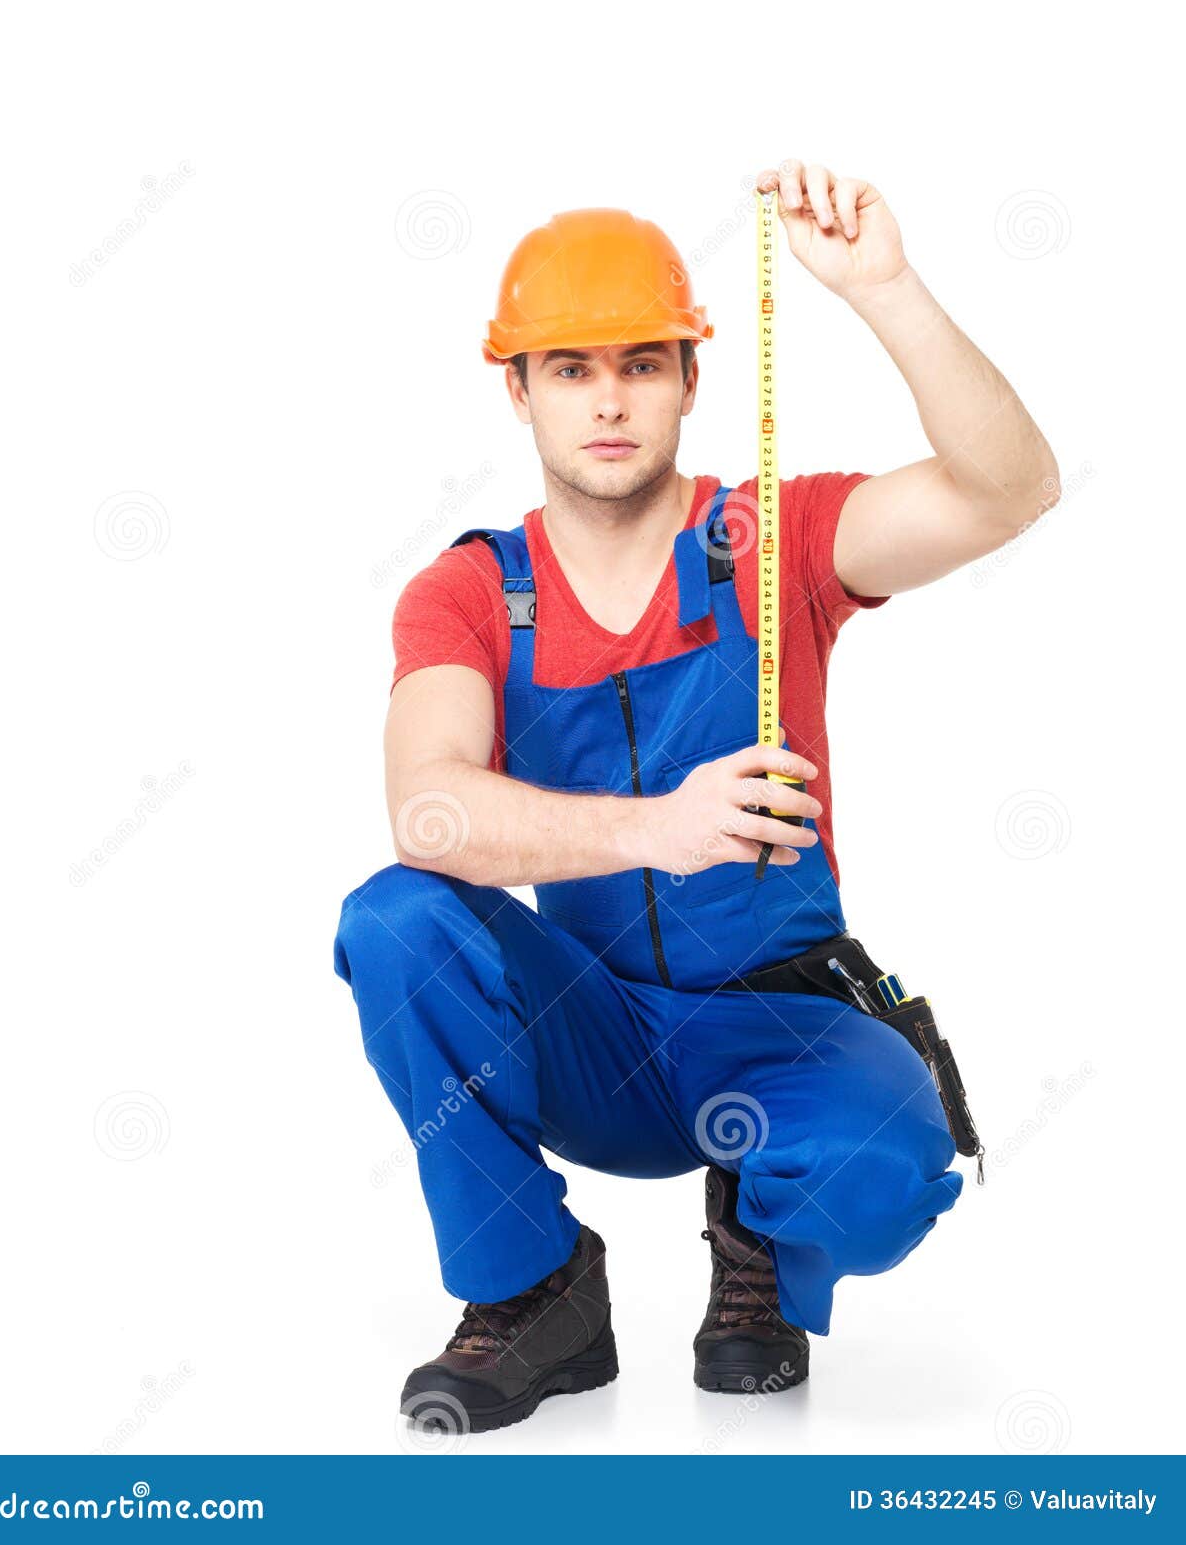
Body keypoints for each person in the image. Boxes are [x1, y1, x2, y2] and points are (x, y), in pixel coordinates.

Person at [333, 161, 1060, 1435]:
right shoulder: (469, 594)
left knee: (884, 1166)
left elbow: (1012, 491)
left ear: (690, 376)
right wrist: (649, 825)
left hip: (775, 1030)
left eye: (641, 363)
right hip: (595, 1032)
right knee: (394, 916)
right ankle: (537, 1290)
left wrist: (887, 290)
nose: (609, 401)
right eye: (570, 368)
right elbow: (428, 815)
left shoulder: (769, 543)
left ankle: (762, 1230)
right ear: (517, 389)